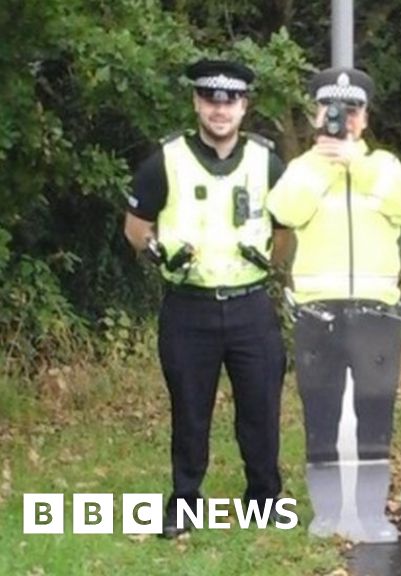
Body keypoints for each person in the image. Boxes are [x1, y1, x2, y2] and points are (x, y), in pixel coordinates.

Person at [123, 59, 289, 537]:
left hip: (250, 306)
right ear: (197, 103)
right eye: (211, 100)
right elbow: (136, 229)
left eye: (230, 101)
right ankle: (185, 504)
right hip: (188, 308)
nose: (220, 110)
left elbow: (286, 228)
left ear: (244, 106)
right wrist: (161, 257)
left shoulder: (266, 161)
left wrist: (268, 265)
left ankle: (264, 499)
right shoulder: (166, 160)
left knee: (260, 409)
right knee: (190, 411)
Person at [266, 67, 401, 543]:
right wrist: (323, 164)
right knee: (321, 410)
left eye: (352, 110)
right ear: (316, 112)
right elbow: (285, 211)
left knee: (375, 411)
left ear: (365, 117)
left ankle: (372, 514)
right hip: (319, 312)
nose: (342, 119)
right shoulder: (302, 168)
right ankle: (328, 514)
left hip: (376, 310)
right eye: (332, 109)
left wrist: (357, 163)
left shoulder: (384, 165)